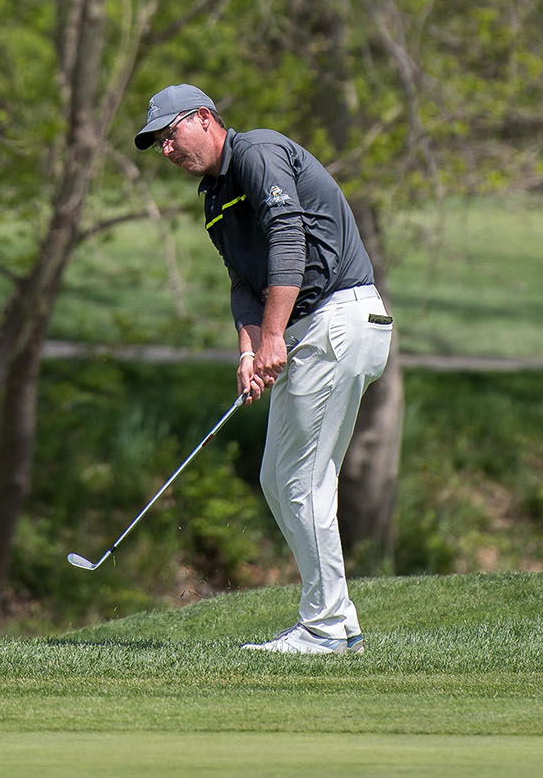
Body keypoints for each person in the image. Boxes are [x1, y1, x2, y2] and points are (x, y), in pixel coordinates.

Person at [135, 84, 392, 656]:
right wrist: (250, 350)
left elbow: (287, 237)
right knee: (281, 480)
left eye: (170, 134)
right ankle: (338, 621)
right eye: (157, 145)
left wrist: (274, 334)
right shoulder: (215, 198)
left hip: (337, 318)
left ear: (204, 118)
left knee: (302, 481)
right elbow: (243, 284)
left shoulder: (257, 151)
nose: (167, 151)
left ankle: (325, 628)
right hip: (311, 329)